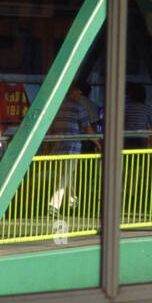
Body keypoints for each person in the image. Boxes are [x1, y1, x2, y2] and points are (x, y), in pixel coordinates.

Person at [48, 82, 90, 214]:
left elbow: (50, 128)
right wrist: (98, 143)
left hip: (57, 146)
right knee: (65, 175)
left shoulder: (57, 107)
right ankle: (53, 205)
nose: (80, 96)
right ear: (71, 93)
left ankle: (72, 202)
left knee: (66, 174)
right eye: (78, 93)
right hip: (72, 147)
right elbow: (88, 128)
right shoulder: (79, 108)